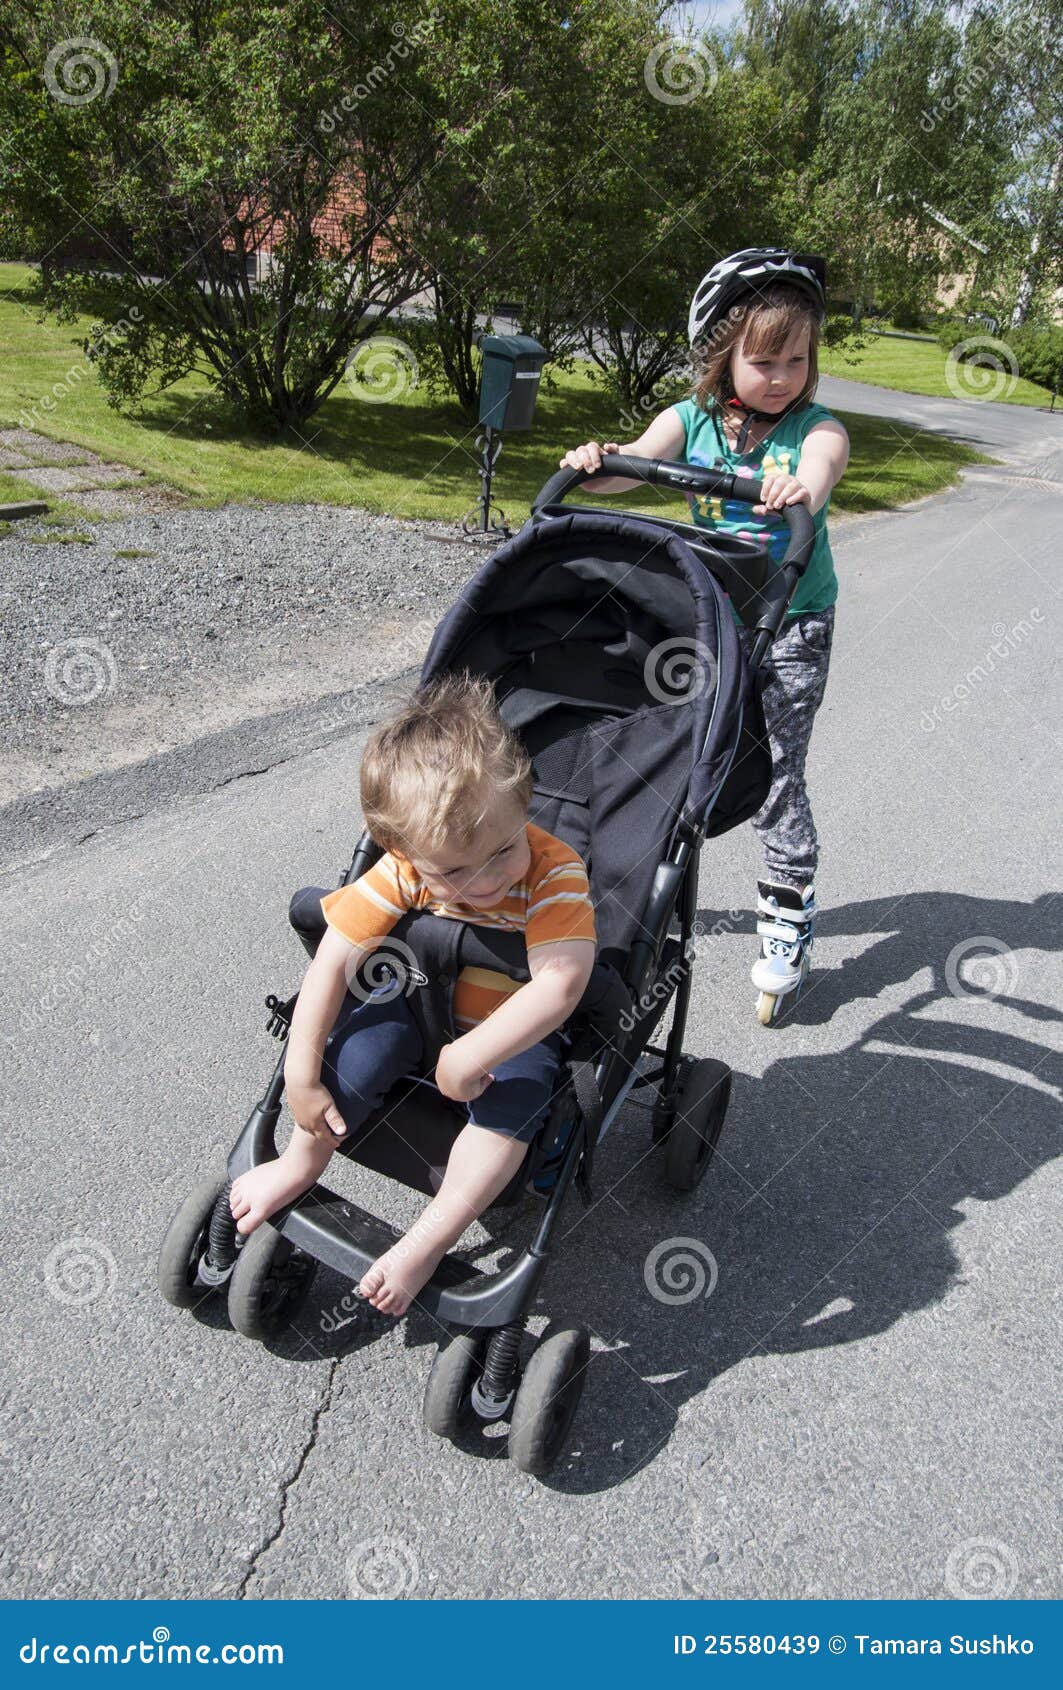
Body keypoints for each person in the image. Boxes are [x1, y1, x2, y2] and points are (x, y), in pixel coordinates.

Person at [227, 671, 596, 1316]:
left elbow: (561, 985)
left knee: (510, 1111)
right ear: (402, 851)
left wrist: (469, 1055)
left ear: (526, 807)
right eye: (454, 871)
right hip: (418, 997)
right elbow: (335, 958)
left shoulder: (552, 869)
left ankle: (427, 1239)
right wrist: (301, 1072)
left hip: (509, 1023)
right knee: (350, 1054)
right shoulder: (405, 868)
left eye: (502, 851)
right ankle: (298, 1162)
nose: (484, 882)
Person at [559, 248, 849, 1022]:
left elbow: (819, 473)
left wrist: (798, 488)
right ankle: (631, 890)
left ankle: (787, 914)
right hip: (707, 618)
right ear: (722, 357)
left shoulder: (816, 431)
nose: (782, 376)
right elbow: (635, 465)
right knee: (663, 751)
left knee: (775, 772)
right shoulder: (688, 421)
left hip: (790, 624)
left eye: (796, 359)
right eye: (763, 361)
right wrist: (597, 463)